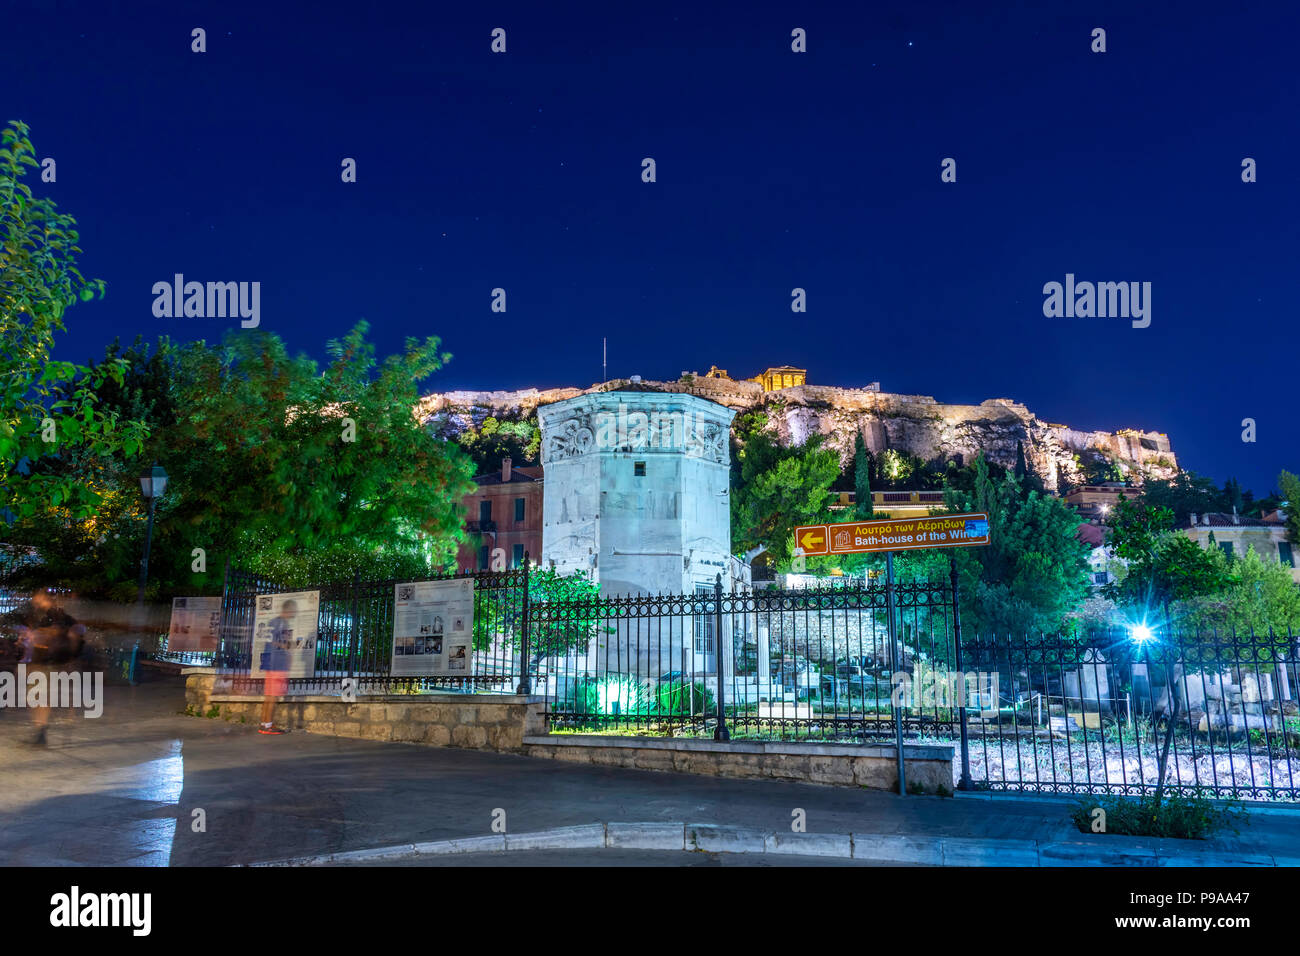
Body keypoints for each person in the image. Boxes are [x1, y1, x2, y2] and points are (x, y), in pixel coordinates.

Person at [3, 590, 85, 746]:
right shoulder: (43, 614)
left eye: (37, 597)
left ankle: (41, 732)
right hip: (43, 661)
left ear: (43, 598)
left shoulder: (54, 614)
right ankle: (41, 731)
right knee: (37, 698)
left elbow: (63, 631)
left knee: (39, 698)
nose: (34, 600)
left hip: (48, 663)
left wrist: (37, 634)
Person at [258, 599, 296, 735]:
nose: (295, 612)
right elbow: (275, 642)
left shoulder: (274, 621)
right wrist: (286, 646)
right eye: (294, 609)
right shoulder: (281, 623)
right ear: (288, 610)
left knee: (269, 695)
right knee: (273, 696)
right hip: (277, 664)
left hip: (271, 662)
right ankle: (268, 726)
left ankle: (264, 723)